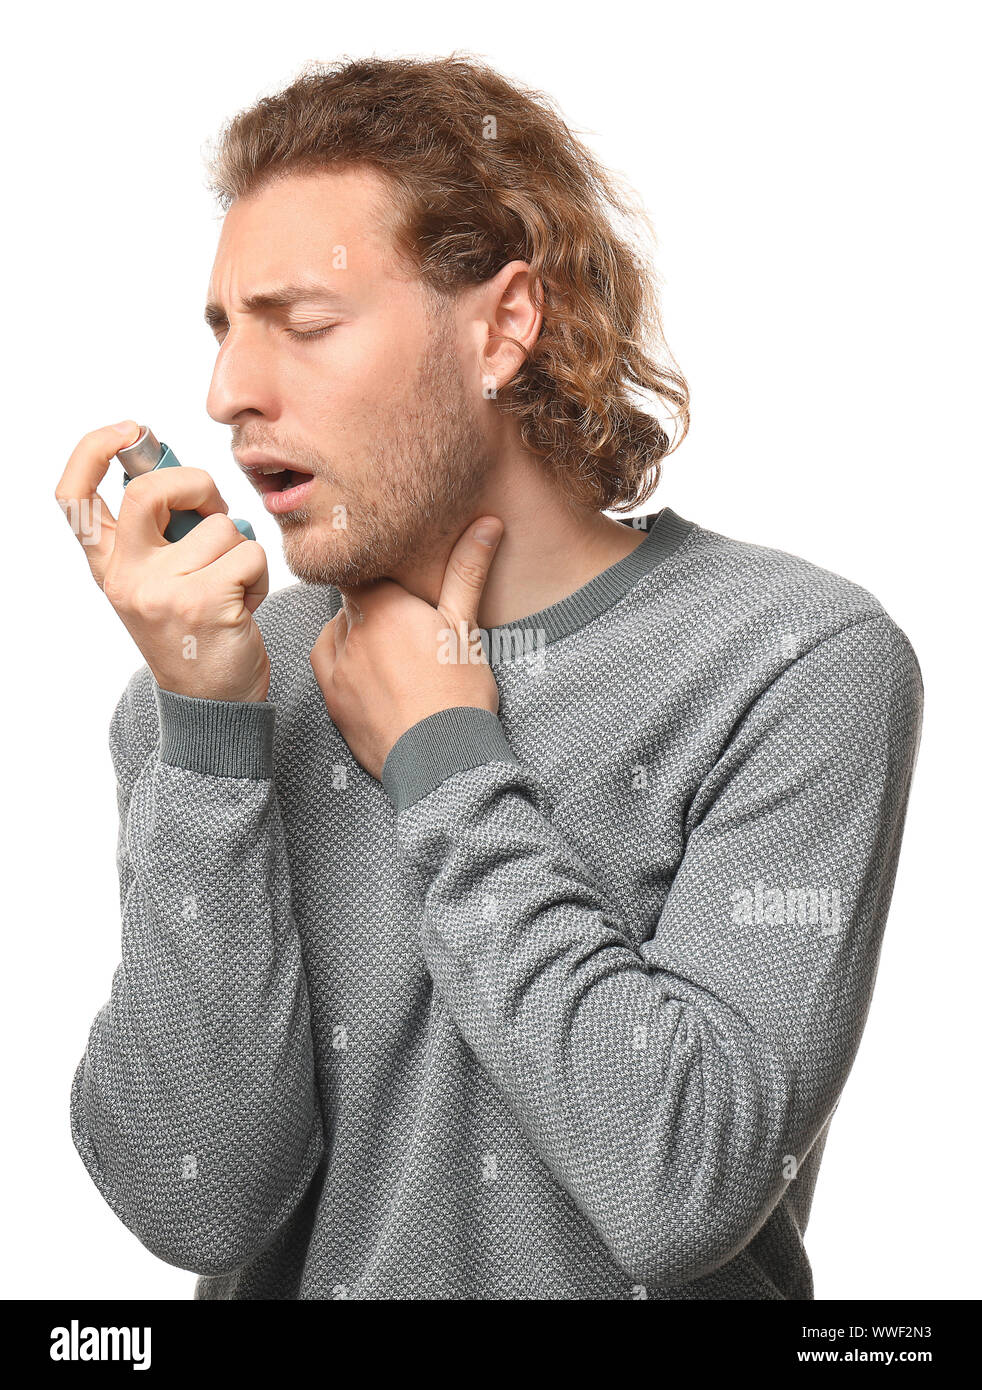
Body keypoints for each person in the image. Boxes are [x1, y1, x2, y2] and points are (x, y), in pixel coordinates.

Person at [57, 54, 923, 1300]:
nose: (229, 392)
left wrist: (447, 759)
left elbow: (682, 1184)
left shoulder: (791, 661)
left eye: (301, 325)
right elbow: (196, 1198)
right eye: (225, 331)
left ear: (503, 328)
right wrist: (206, 731)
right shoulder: (208, 695)